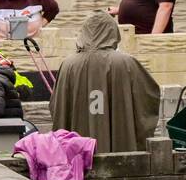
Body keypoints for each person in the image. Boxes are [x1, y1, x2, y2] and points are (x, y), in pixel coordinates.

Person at [50, 11, 160, 153]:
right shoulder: (126, 64)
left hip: (77, 157)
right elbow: (148, 98)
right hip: (121, 151)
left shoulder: (68, 65)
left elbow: (57, 106)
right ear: (113, 31)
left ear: (84, 32)